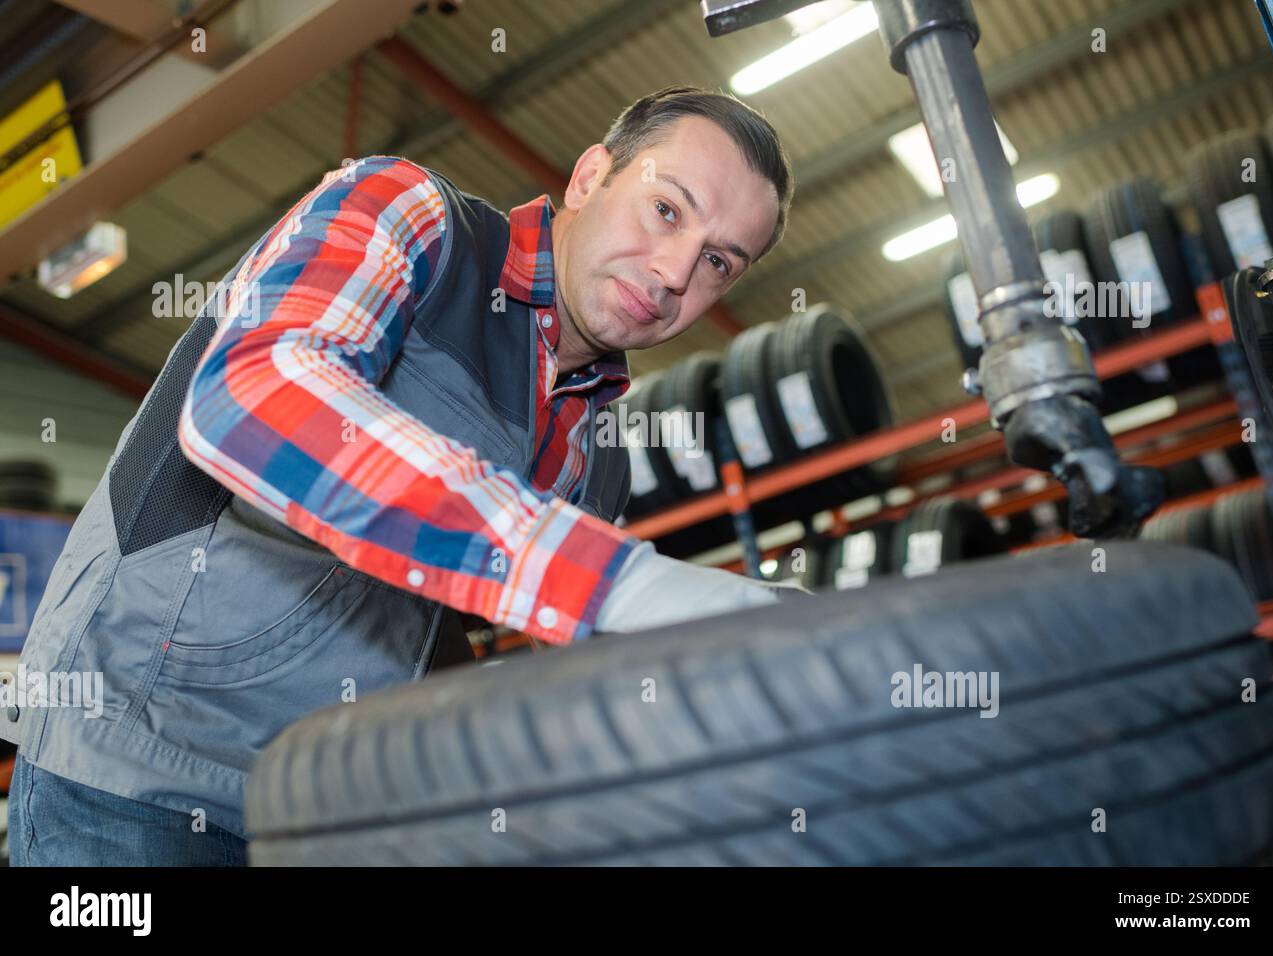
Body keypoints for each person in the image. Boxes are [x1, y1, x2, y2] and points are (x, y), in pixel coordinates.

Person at [3, 85, 796, 866]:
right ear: (591, 176)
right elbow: (257, 397)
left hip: (320, 814)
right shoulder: (412, 217)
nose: (673, 271)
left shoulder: (600, 460)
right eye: (667, 210)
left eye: (719, 261)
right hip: (129, 766)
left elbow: (432, 621)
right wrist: (622, 586)